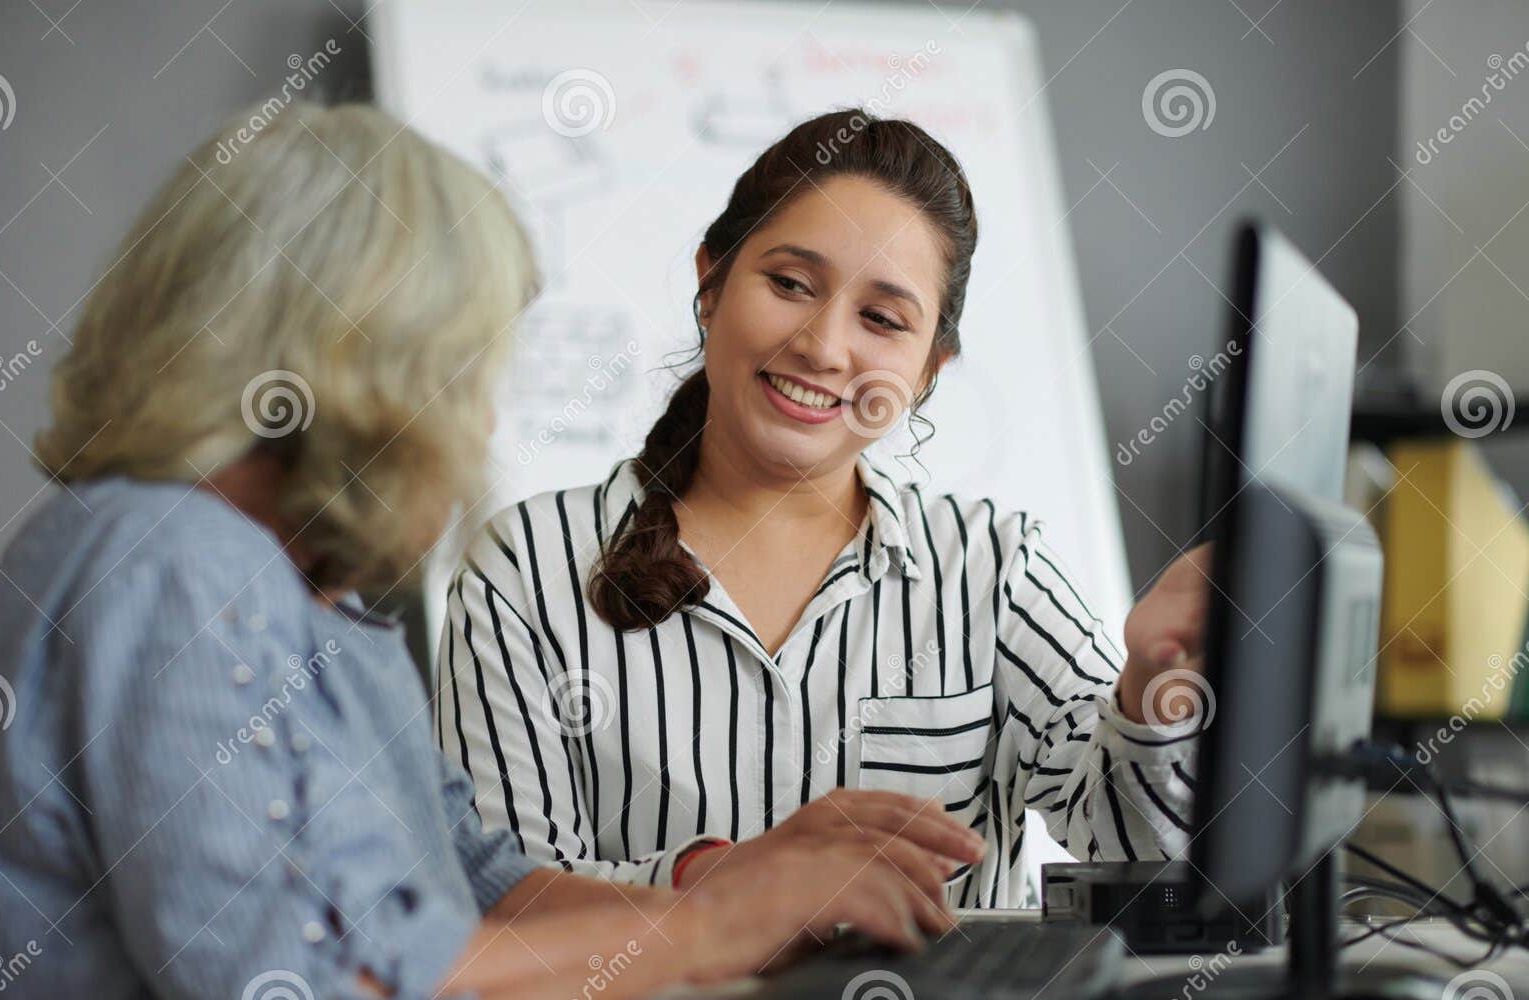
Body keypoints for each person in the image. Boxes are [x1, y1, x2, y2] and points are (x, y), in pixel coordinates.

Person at [0, 102, 955, 1000]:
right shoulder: (168, 563)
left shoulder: (306, 592)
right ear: (362, 366)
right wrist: (715, 927)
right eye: (466, 369)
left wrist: (736, 893)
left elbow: (474, 883)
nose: (476, 421)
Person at [439, 108, 1211, 909]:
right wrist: (720, 883)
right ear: (710, 285)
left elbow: (1145, 851)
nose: (822, 345)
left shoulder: (994, 570)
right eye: (789, 284)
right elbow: (499, 900)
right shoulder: (526, 569)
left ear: (929, 370)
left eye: (882, 319)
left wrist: (1152, 684)